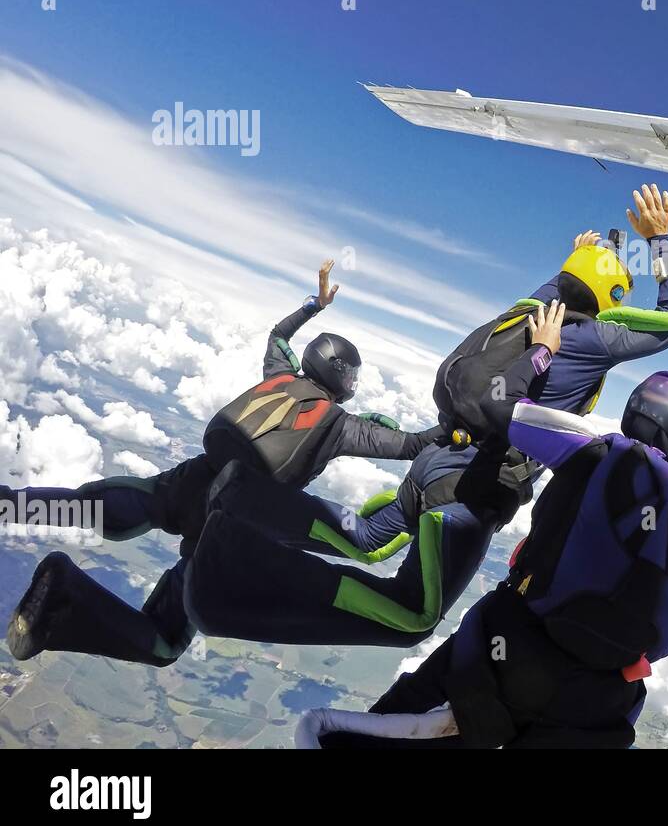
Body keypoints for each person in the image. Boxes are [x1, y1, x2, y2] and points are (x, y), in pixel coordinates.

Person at [181, 185, 668, 651]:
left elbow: (561, 286)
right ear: (613, 301)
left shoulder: (522, 311)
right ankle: (231, 587)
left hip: (435, 461)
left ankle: (241, 496)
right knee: (412, 616)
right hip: (470, 491)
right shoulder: (593, 340)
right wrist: (660, 239)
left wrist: (582, 256)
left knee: (367, 536)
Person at [295, 300, 668, 749]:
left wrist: (541, 350)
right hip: (597, 707)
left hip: (507, 651)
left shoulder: (591, 445)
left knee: (354, 735)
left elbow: (497, 405)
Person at [3, 261, 443, 667]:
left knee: (95, 507)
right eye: (351, 376)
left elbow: (277, 337)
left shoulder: (280, 375)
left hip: (193, 478)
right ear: (340, 374)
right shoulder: (342, 425)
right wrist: (467, 433)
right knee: (164, 640)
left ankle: (10, 505)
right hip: (232, 518)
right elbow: (414, 445)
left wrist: (314, 305)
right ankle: (63, 598)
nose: (352, 385)